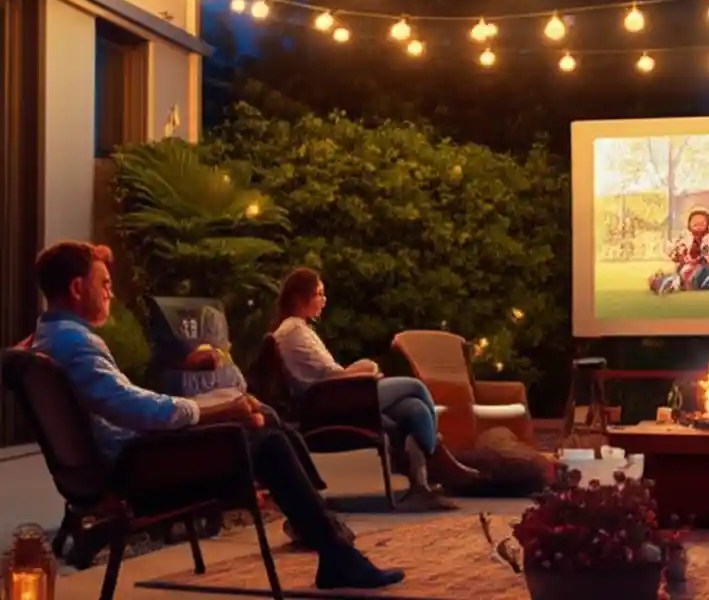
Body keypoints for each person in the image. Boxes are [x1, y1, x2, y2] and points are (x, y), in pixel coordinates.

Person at [29, 242, 403, 591]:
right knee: (267, 440)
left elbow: (126, 402)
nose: (110, 293)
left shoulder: (51, 337)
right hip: (139, 467)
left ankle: (326, 535)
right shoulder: (75, 344)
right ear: (77, 288)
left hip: (131, 456)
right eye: (104, 284)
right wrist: (214, 412)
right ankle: (333, 547)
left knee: (260, 420)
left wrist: (209, 408)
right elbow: (133, 408)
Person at [271, 268, 479, 504]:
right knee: (416, 388)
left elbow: (326, 372)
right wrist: (365, 369)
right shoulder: (294, 331)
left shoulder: (299, 329)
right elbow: (331, 375)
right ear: (300, 298)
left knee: (414, 408)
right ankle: (438, 461)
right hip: (335, 401)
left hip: (338, 394)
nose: (324, 300)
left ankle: (421, 484)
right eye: (319, 294)